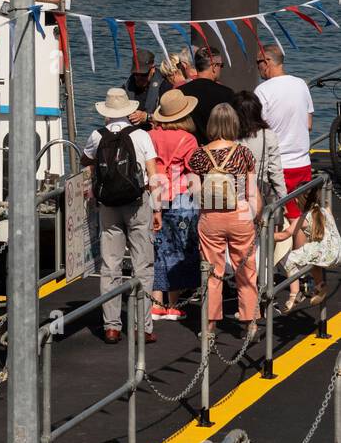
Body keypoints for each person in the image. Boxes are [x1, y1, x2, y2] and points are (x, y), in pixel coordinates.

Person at [82, 87, 159, 345]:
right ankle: (143, 327)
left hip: (107, 205)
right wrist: (156, 208)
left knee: (111, 264)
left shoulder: (96, 135)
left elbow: (86, 161)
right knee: (143, 265)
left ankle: (112, 327)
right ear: (128, 110)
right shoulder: (141, 135)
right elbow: (152, 173)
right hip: (138, 203)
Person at [189, 104, 261, 341]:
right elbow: (252, 193)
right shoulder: (244, 153)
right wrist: (256, 216)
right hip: (240, 214)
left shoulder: (199, 155)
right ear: (233, 124)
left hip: (211, 216)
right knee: (247, 270)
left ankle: (209, 327)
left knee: (211, 272)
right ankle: (249, 323)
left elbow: (195, 192)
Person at [148, 88, 200, 320]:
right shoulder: (188, 139)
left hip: (156, 196)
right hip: (180, 198)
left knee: (158, 250)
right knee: (180, 250)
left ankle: (156, 303)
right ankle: (173, 305)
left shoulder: (151, 135)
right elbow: (193, 172)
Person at [255, 45, 314, 202]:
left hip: (277, 167)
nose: (258, 68)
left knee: (277, 218)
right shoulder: (301, 84)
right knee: (303, 214)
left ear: (266, 62)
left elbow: (257, 129)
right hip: (303, 162)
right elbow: (309, 125)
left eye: (257, 63)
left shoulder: (262, 90)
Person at [274, 184, 341, 311]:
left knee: (290, 259)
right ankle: (320, 285)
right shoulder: (325, 209)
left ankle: (294, 293)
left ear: (297, 201)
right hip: (337, 252)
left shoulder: (303, 218)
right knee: (312, 256)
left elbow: (285, 235)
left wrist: (268, 235)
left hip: (326, 254)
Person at [233, 90, 286, 206]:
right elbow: (275, 171)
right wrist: (283, 197)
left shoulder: (230, 136)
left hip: (236, 193)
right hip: (261, 191)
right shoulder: (267, 135)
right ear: (257, 111)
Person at [179, 45, 237, 144]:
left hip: (188, 149)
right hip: (217, 149)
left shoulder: (180, 92)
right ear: (214, 67)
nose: (221, 69)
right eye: (221, 65)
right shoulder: (227, 94)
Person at [125, 49, 171, 125]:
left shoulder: (165, 86)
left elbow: (170, 117)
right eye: (136, 74)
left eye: (143, 74)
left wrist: (147, 117)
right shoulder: (128, 85)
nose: (139, 78)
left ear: (152, 69)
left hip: (154, 130)